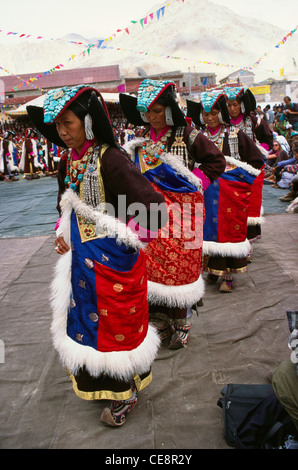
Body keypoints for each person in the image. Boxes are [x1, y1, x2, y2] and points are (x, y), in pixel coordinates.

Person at [26, 84, 168, 427]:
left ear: (88, 122)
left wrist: (126, 242)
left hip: (113, 263)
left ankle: (125, 390)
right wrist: (62, 232)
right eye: (57, 125)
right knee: (86, 322)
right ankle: (101, 381)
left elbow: (152, 208)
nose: (62, 132)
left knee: (116, 324)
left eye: (68, 123)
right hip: (81, 263)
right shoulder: (67, 160)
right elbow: (66, 202)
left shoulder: (111, 158)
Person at [120, 79, 226, 349]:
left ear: (169, 109)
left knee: (180, 271)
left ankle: (183, 322)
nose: (153, 117)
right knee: (152, 268)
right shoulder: (142, 140)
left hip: (184, 214)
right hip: (151, 215)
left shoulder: (188, 134)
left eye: (158, 111)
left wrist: (193, 183)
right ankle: (160, 322)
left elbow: (216, 161)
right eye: (148, 112)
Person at [187, 90, 264, 292]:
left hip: (230, 194)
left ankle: (229, 276)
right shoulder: (199, 136)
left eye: (213, 113)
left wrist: (237, 178)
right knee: (209, 232)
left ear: (221, 114)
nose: (210, 118)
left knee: (229, 232)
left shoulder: (234, 134)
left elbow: (256, 161)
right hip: (207, 192)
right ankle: (214, 270)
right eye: (206, 114)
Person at [223, 86, 272, 246]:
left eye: (235, 105)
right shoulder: (224, 122)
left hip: (253, 168)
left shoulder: (254, 120)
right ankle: (235, 237)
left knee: (251, 204)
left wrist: (258, 151)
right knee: (233, 204)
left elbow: (267, 140)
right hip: (232, 169)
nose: (232, 108)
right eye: (229, 105)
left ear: (242, 105)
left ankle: (249, 240)